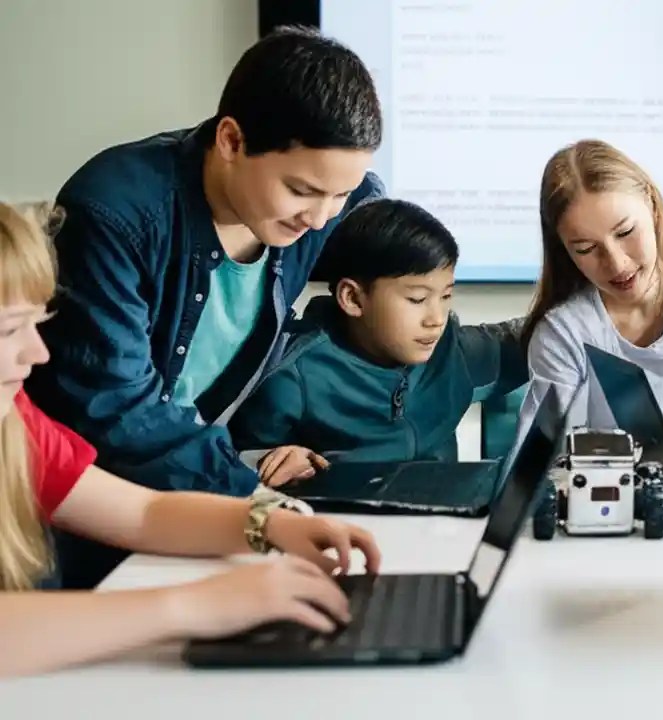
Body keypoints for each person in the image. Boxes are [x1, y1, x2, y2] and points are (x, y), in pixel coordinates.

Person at [24, 27, 385, 587]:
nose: (319, 218)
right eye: (301, 190)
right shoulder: (114, 215)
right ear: (232, 140)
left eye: (338, 194)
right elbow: (120, 418)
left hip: (191, 504)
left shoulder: (335, 204)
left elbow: (390, 269)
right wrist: (256, 501)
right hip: (82, 515)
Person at [0, 201, 379, 677]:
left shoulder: (14, 424)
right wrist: (195, 606)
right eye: (10, 330)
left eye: (37, 324)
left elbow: (142, 513)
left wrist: (270, 523)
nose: (36, 353)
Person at [230, 199, 528, 487]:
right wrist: (273, 461)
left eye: (446, 296)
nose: (436, 317)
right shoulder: (294, 373)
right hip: (345, 529)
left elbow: (539, 338)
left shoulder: (449, 350)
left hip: (441, 525)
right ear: (353, 298)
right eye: (417, 299)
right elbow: (233, 461)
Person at [518, 139, 663, 430]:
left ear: (652, 205)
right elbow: (538, 450)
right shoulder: (562, 331)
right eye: (586, 248)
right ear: (564, 249)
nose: (616, 263)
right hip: (612, 475)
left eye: (625, 232)